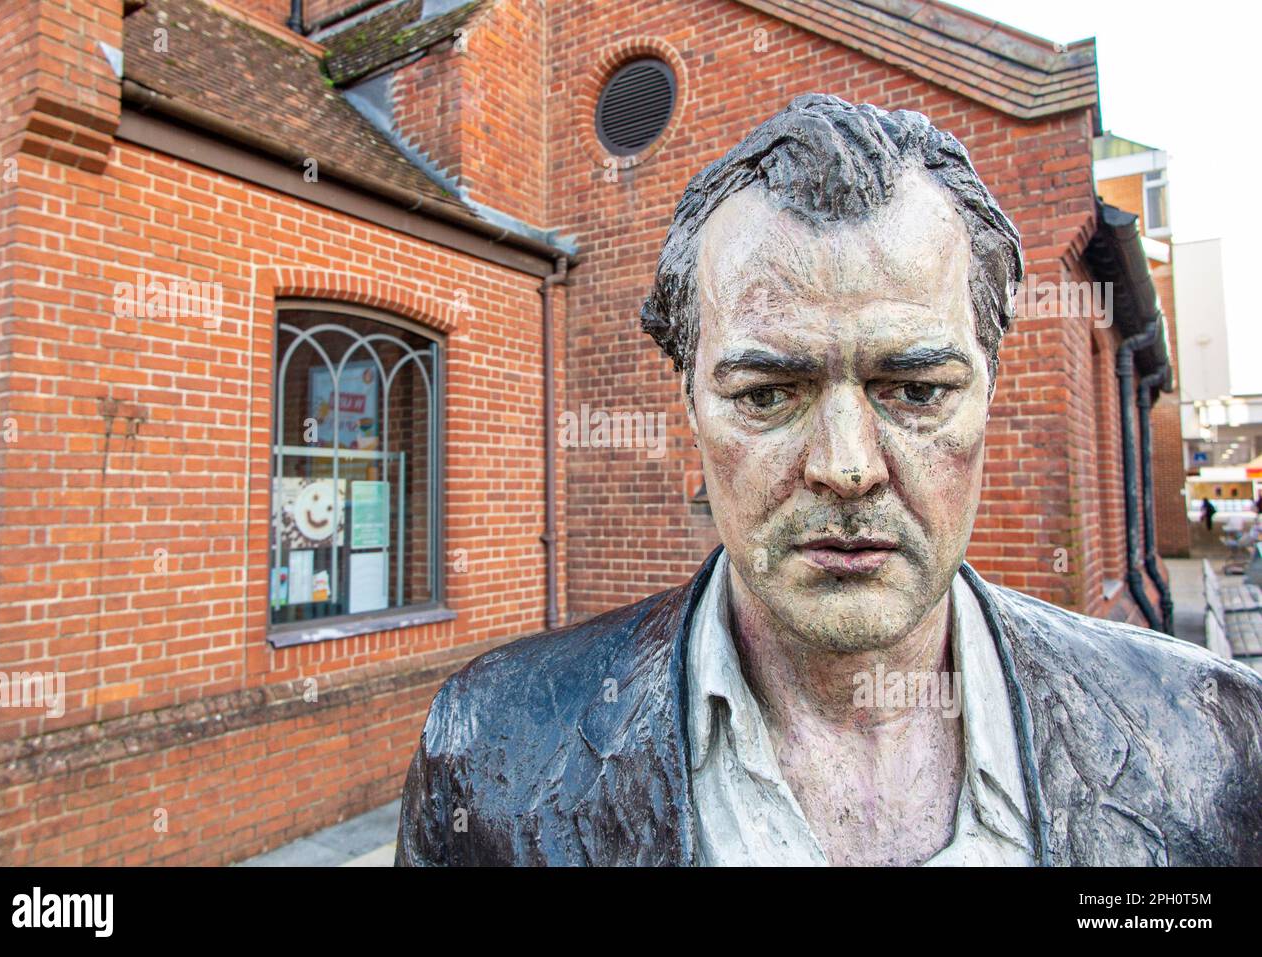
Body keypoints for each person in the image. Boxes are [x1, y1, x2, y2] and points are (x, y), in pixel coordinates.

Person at [395, 95, 1262, 866]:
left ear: (989, 394)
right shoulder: (488, 750)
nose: (848, 465)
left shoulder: (1214, 743)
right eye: (769, 393)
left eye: (917, 390)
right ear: (691, 408)